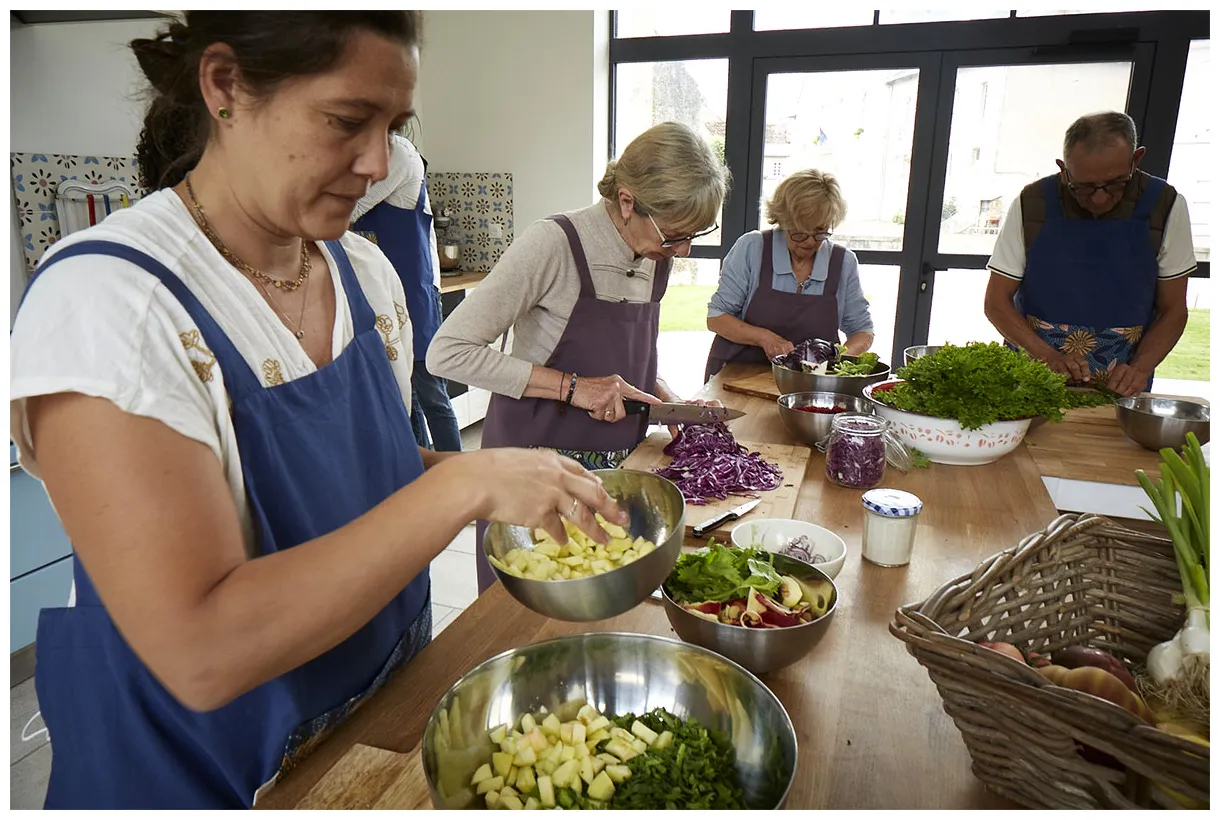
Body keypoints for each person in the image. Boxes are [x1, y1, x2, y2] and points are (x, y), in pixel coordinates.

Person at [8, 12, 625, 810]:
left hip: (380, 718)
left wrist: (493, 472)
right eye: (346, 121)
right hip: (215, 773)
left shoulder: (362, 271)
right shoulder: (112, 300)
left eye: (395, 127)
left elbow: (371, 473)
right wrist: (461, 489)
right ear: (226, 87)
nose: (379, 164)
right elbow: (201, 650)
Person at [427, 121, 730, 593]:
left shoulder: (654, 254)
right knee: (522, 622)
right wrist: (574, 388)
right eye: (674, 235)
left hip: (611, 476)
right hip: (531, 469)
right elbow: (446, 353)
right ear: (627, 202)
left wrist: (666, 397)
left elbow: (629, 357)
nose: (682, 250)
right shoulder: (554, 244)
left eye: (693, 235)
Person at [983, 111, 1196, 396]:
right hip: (1032, 369)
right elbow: (996, 302)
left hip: (1122, 380)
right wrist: (1047, 357)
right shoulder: (1031, 203)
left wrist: (1140, 369)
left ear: (1136, 159)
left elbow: (1173, 310)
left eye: (1115, 183)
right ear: (1063, 169)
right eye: (1082, 187)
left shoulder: (1165, 205)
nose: (1099, 198)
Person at [704, 169, 874, 382]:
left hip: (811, 385)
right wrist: (764, 338)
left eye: (820, 231)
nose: (811, 242)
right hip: (738, 376)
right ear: (782, 221)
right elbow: (717, 317)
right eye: (800, 232)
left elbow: (862, 331)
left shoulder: (843, 262)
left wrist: (835, 363)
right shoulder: (752, 248)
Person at [351, 132, 462, 451]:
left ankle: (455, 475)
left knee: (431, 394)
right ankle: (419, 474)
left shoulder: (399, 155)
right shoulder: (363, 159)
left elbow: (351, 209)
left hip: (415, 293)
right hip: (377, 295)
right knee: (403, 396)